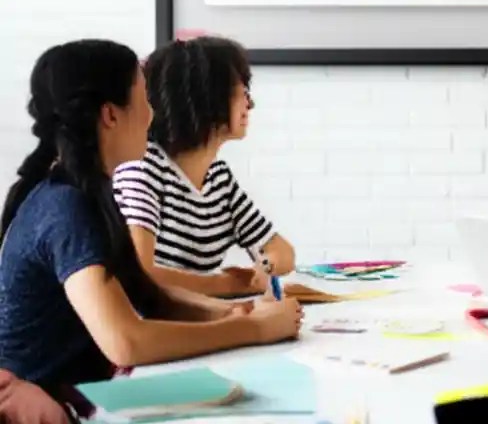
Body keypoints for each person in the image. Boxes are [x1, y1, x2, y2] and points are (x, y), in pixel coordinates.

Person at [0, 40, 302, 407]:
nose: (153, 116)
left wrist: (236, 312)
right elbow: (126, 341)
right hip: (46, 409)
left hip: (83, 399)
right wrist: (252, 329)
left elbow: (145, 293)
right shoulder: (66, 208)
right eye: (144, 100)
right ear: (111, 115)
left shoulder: (91, 193)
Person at [113, 37, 295, 297]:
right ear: (206, 98)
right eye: (242, 91)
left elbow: (283, 252)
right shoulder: (142, 170)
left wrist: (263, 268)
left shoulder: (219, 179)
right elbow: (140, 272)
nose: (249, 103)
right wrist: (229, 285)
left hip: (191, 317)